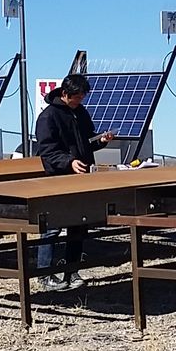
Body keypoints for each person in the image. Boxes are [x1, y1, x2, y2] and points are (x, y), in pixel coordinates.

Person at [31, 73, 116, 291]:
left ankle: (71, 271)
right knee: (52, 227)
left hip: (81, 178)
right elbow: (48, 152)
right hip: (58, 179)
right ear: (65, 94)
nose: (80, 101)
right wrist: (69, 162)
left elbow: (87, 142)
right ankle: (45, 275)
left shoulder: (81, 113)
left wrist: (101, 141)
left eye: (82, 97)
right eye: (77, 97)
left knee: (79, 225)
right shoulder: (48, 117)